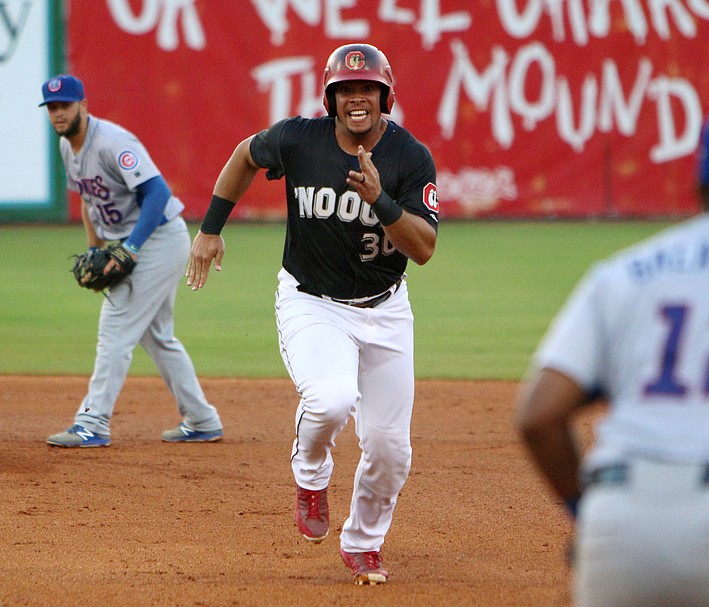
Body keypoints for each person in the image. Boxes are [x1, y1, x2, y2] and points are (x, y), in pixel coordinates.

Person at [516, 106, 709, 607]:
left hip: (626, 522)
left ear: (698, 184)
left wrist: (586, 511)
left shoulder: (629, 271)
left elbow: (540, 414)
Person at [186, 43, 439, 585]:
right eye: (345, 90)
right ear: (330, 97)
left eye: (367, 89)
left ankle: (363, 543)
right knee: (329, 399)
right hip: (312, 302)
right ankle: (311, 472)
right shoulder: (300, 140)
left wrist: (382, 201)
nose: (356, 98)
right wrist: (210, 229)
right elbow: (243, 157)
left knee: (391, 449)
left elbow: (422, 248)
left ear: (384, 95)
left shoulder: (410, 158)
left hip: (387, 311)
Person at [40, 74, 223, 448]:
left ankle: (92, 422)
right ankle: (202, 419)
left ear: (83, 105)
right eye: (52, 108)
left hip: (157, 237)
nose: (59, 113)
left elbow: (157, 192)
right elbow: (88, 200)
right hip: (134, 240)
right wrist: (94, 249)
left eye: (65, 105)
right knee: (157, 337)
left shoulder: (112, 142)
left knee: (116, 328)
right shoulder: (66, 146)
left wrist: (131, 248)